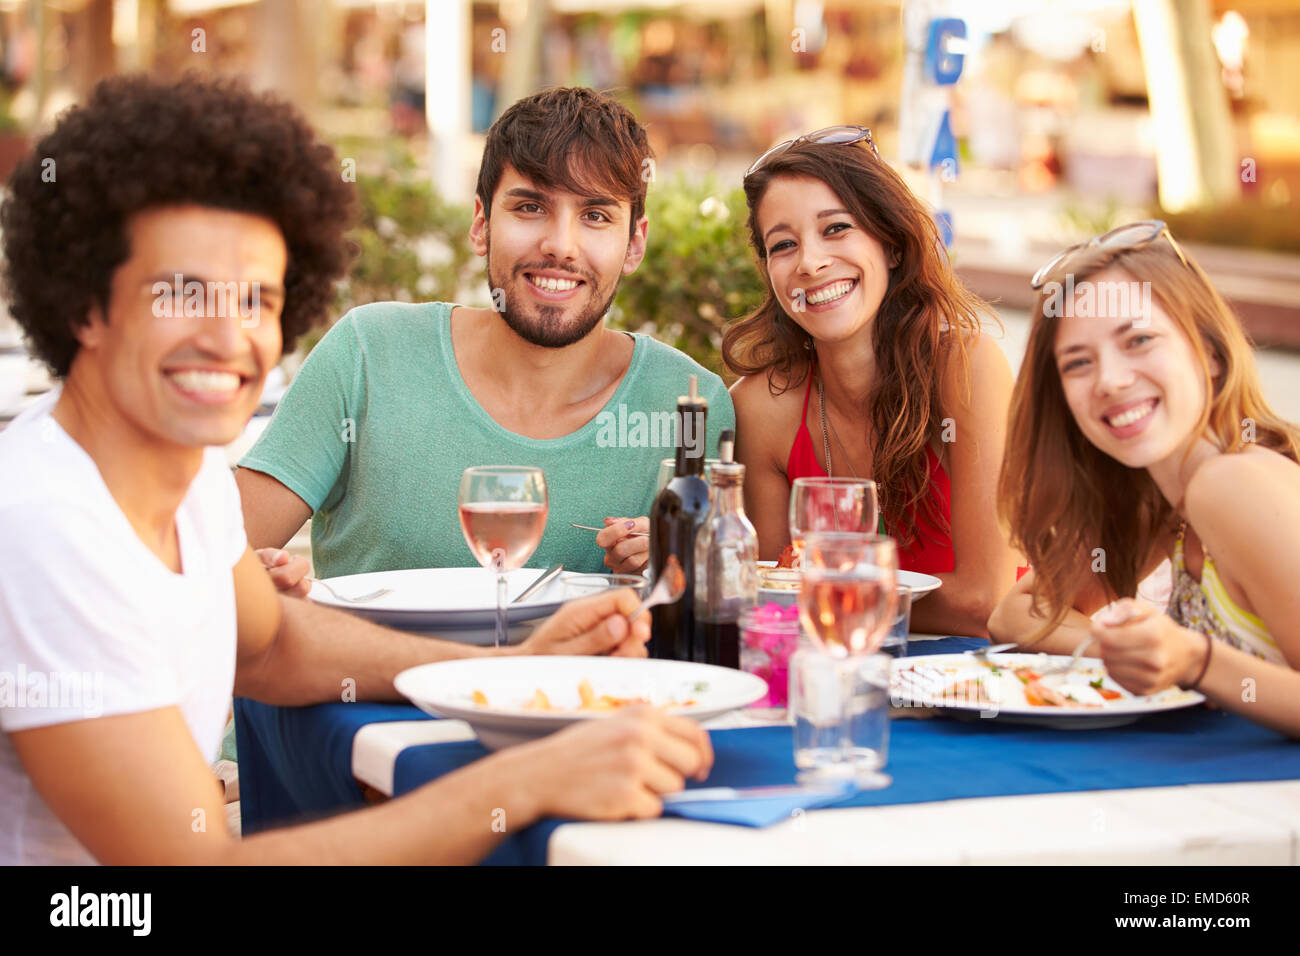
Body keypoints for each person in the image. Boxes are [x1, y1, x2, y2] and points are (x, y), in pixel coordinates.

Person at [0, 74, 713, 866]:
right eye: (180, 293)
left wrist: (505, 671)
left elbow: (270, 646)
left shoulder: (181, 477)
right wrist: (529, 778)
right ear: (83, 306)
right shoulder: (46, 525)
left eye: (256, 300)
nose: (227, 337)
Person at [236, 86, 733, 594]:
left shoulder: (690, 404)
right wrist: (270, 586)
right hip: (365, 676)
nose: (560, 246)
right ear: (480, 225)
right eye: (530, 207)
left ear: (634, 244)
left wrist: (675, 575)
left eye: (595, 216)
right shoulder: (368, 353)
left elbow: (723, 602)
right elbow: (206, 560)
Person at [987, 221, 1300, 737]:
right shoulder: (1159, 497)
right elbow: (1016, 615)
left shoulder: (1232, 485)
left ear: (1212, 356)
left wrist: (1194, 663)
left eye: (1138, 340)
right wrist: (1126, 651)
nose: (1110, 380)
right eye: (1079, 362)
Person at [722, 127, 1021, 637]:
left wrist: (822, 595)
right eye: (784, 245)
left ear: (892, 245)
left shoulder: (967, 370)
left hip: (986, 680)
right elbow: (772, 608)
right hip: (838, 674)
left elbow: (983, 602)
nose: (811, 263)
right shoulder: (759, 407)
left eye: (836, 228)